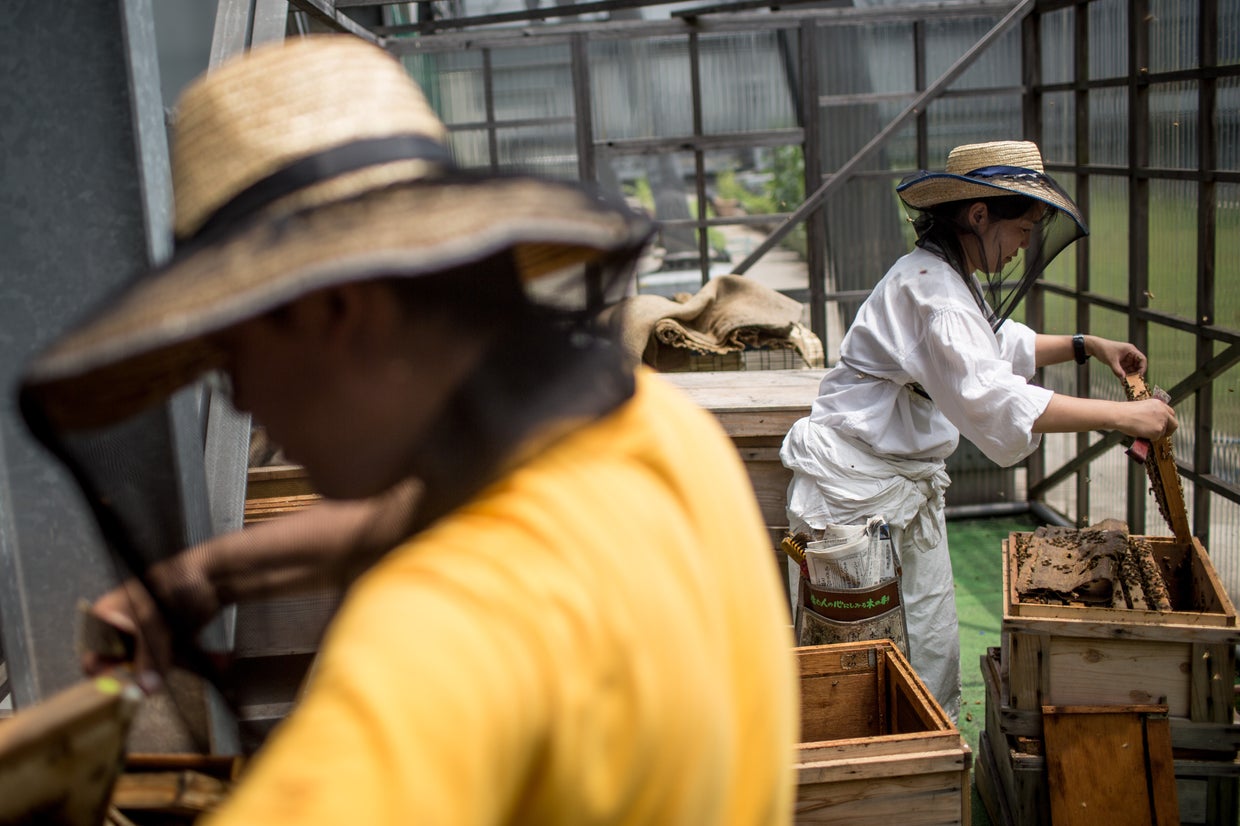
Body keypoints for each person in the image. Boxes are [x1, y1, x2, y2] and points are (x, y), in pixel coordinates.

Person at [20, 36, 798, 824]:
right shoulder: (659, 432)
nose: (245, 400)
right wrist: (207, 577)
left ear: (338, 312)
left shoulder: (438, 641)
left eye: (233, 356)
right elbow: (434, 517)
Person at [779, 140, 1178, 720]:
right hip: (852, 495)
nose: (1022, 247)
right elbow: (995, 398)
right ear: (980, 214)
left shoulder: (946, 279)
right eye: (1022, 229)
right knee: (854, 672)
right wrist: (1123, 415)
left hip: (899, 489)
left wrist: (1087, 346)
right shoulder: (933, 293)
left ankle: (932, 773)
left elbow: (996, 345)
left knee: (931, 645)